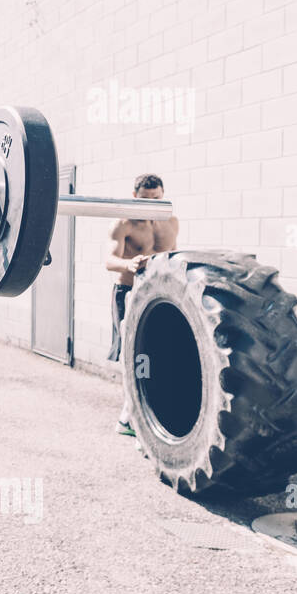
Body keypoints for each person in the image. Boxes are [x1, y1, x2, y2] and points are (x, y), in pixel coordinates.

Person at [103, 173, 179, 436]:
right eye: (146, 200)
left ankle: (135, 415)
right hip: (127, 291)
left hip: (159, 296)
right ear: (135, 197)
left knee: (158, 355)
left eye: (157, 199)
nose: (152, 205)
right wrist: (129, 263)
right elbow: (109, 260)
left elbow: (173, 255)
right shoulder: (124, 223)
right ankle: (129, 416)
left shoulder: (171, 222)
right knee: (133, 356)